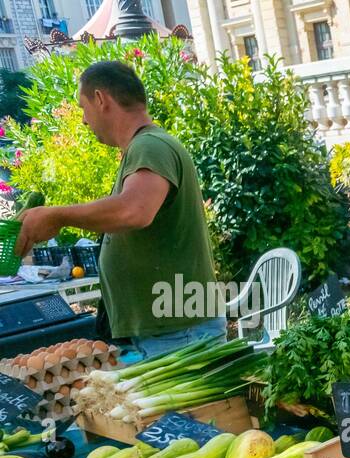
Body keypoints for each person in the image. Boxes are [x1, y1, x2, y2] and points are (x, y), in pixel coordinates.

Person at [17, 61, 221, 358]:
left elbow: (134, 211)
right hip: (168, 331)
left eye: (83, 108)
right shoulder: (142, 148)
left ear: (101, 99)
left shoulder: (150, 146)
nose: (85, 121)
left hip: (178, 333)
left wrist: (56, 215)